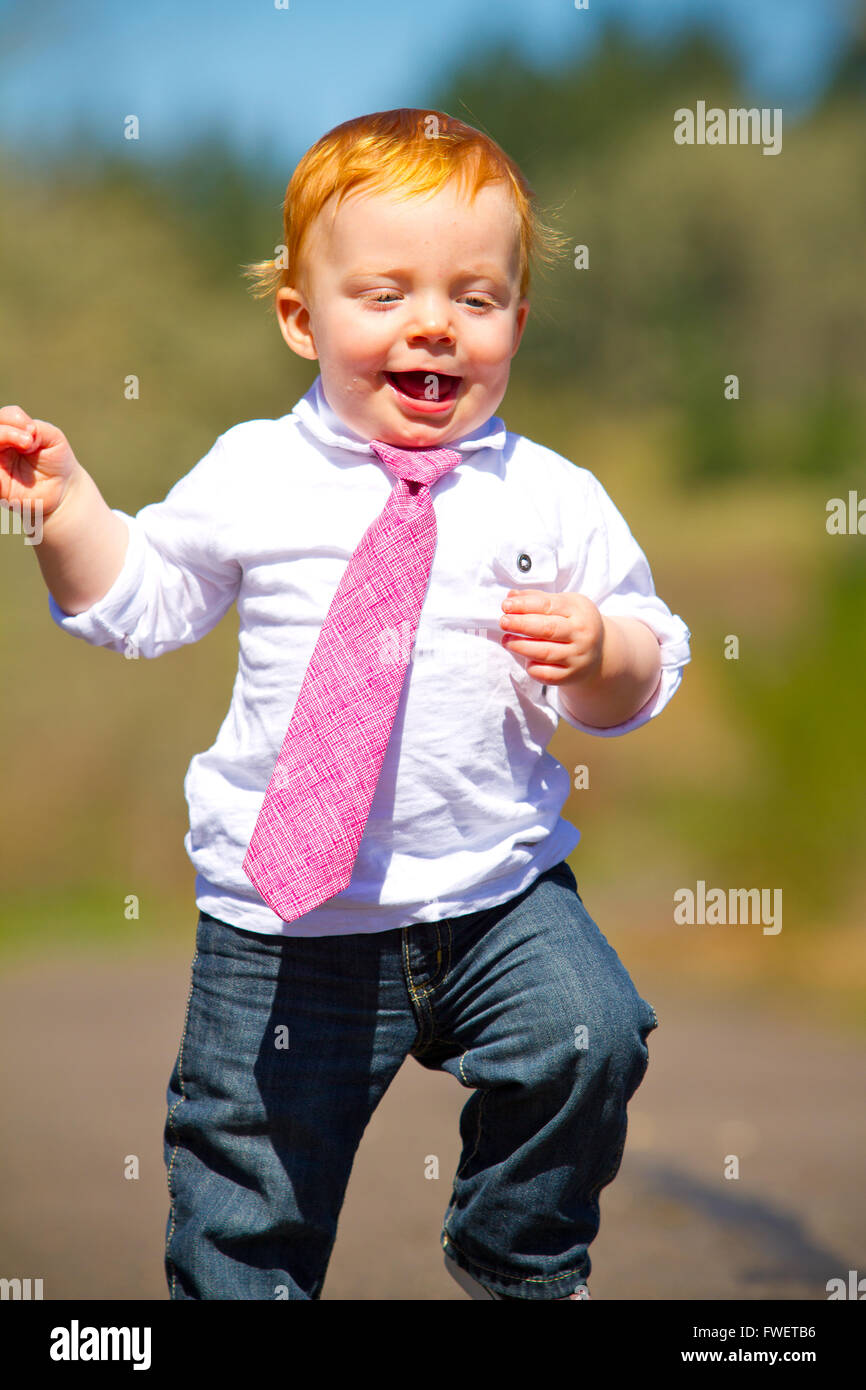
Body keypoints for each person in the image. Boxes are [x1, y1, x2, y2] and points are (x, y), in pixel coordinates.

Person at [1, 108, 690, 1300]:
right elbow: (141, 600)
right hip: (285, 922)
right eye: (383, 293)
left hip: (494, 891)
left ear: (516, 325)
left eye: (474, 299)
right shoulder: (256, 472)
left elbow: (649, 660)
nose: (433, 322)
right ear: (299, 317)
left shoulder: (551, 495)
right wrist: (60, 515)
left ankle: (512, 1248)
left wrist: (597, 649)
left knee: (593, 1032)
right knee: (246, 1189)